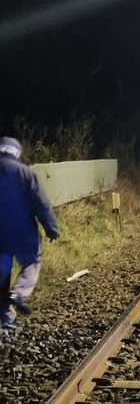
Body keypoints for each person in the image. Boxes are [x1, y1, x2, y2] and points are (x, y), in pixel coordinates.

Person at [0, 137, 59, 328]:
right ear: (16, 153)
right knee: (32, 262)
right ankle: (19, 293)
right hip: (23, 231)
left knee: (2, 273)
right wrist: (51, 229)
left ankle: (6, 318)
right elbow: (41, 204)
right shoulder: (25, 173)